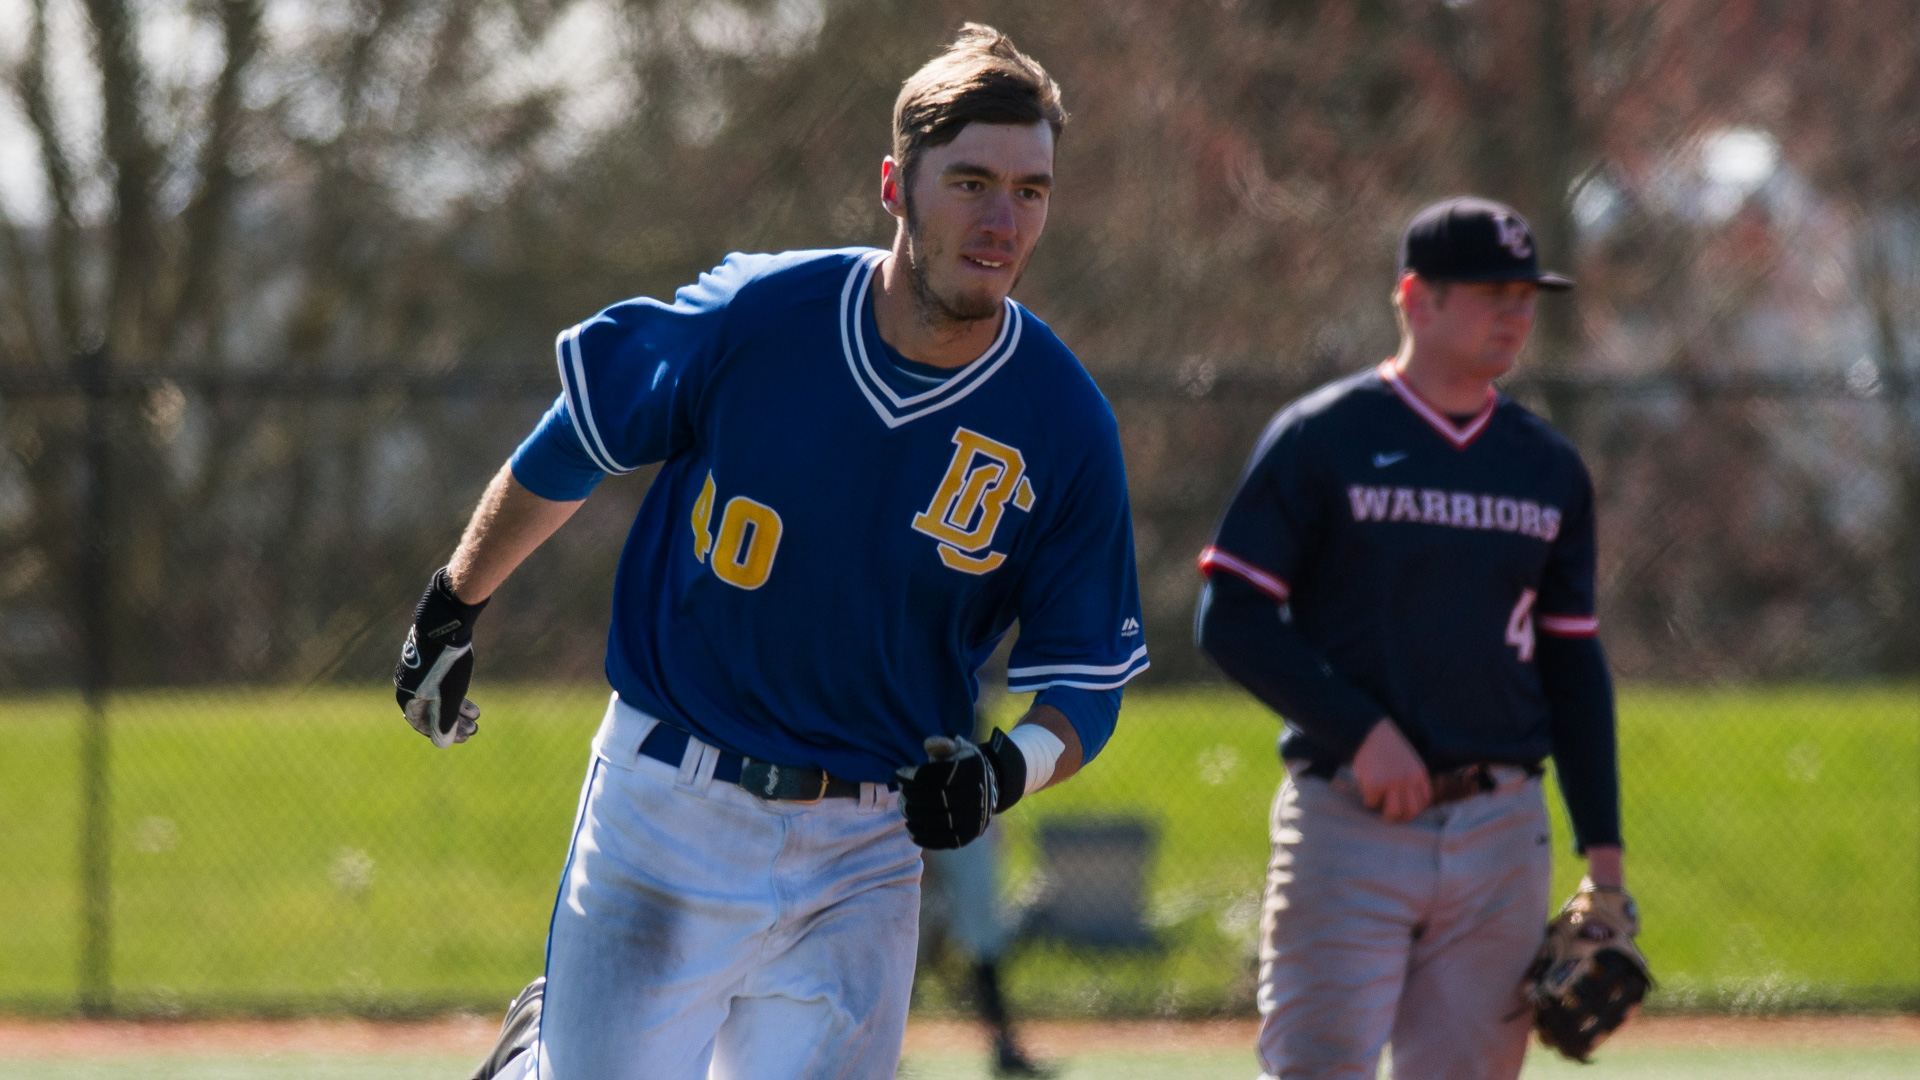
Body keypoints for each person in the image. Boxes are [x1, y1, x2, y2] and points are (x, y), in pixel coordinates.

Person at [392, 24, 1148, 1080]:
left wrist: (1000, 774)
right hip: (672, 807)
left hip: (868, 846)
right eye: (970, 181)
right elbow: (583, 435)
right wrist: (452, 603)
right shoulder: (763, 315)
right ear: (896, 184)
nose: (1001, 219)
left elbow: (1087, 687)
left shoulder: (1064, 422)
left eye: (1031, 190)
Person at [1195, 197, 1626, 1080]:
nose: (1515, 311)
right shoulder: (1326, 438)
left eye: (1526, 294)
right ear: (1415, 299)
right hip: (1351, 819)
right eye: (1490, 291)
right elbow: (1230, 615)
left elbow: (1572, 663)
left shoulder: (1547, 467)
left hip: (1502, 828)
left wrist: (1606, 864)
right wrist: (1361, 732)